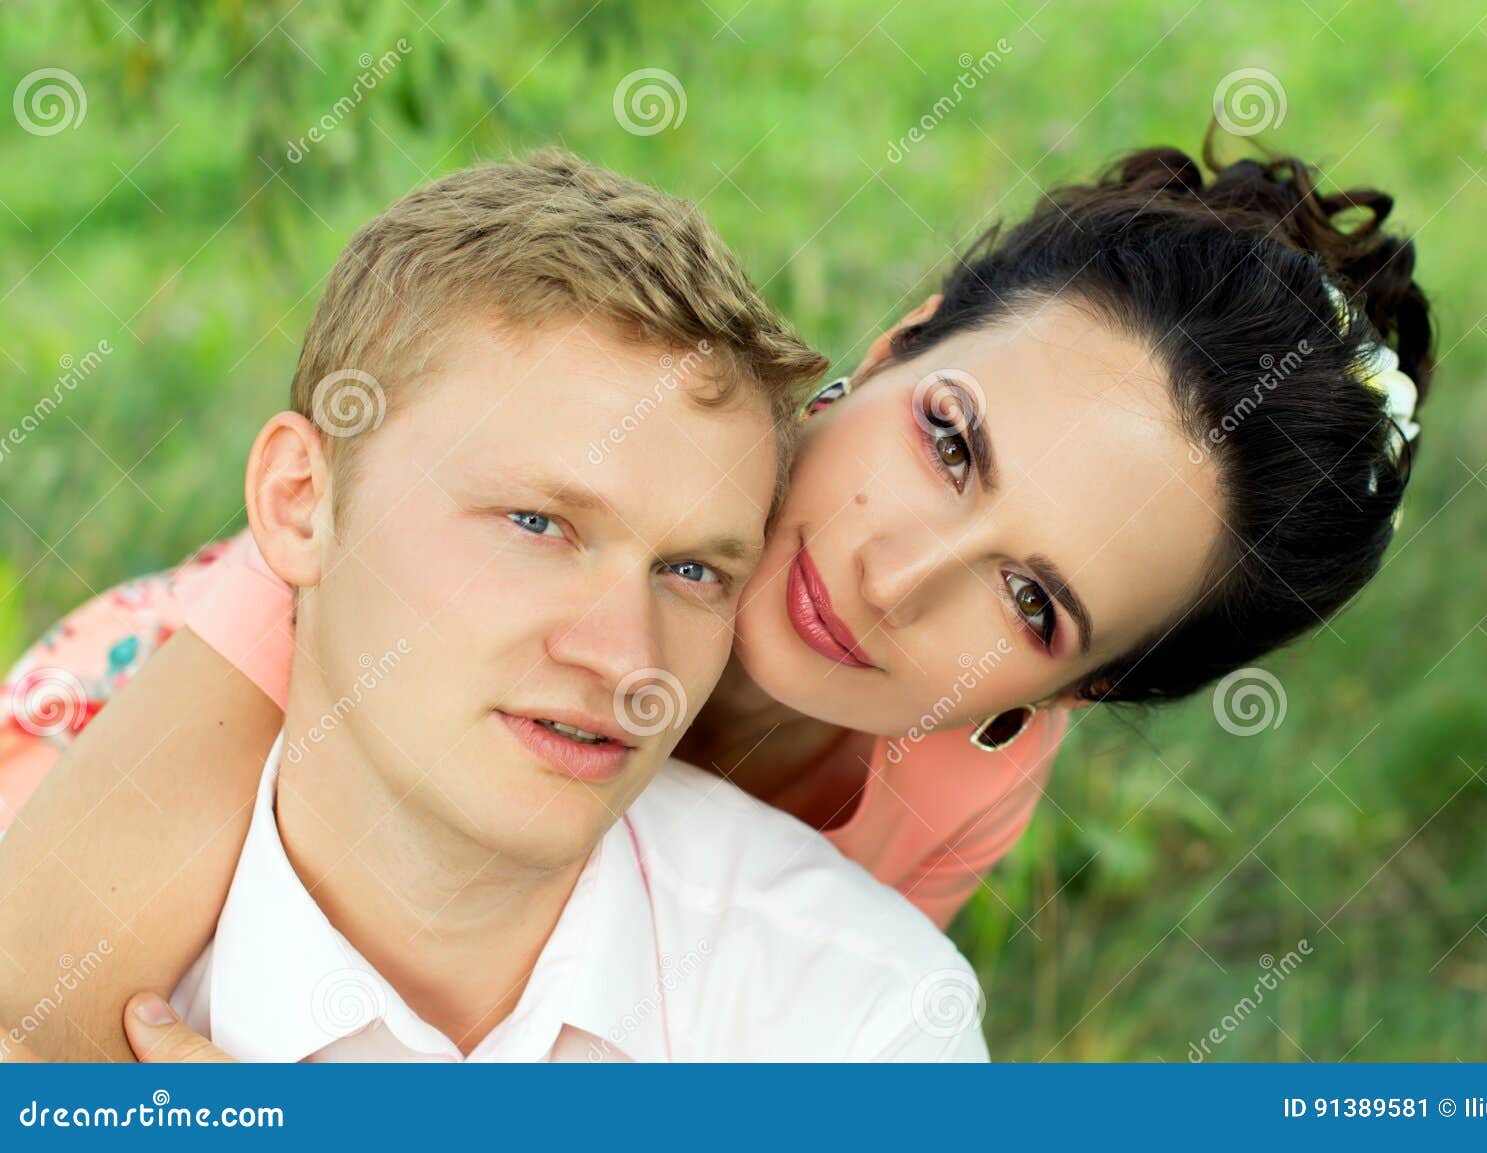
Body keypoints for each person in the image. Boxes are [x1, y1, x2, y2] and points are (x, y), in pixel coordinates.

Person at [1, 134, 1435, 1060]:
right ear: (892, 344)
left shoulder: (943, 800)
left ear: (1075, 693)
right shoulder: (448, 530)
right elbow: (33, 1005)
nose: (894, 578)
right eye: (948, 443)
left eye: (1032, 601)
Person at [0, 149, 986, 1063]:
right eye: (537, 522)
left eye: (692, 572)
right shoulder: (69, 960)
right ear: (300, 502)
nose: (624, 659)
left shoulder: (857, 1016)